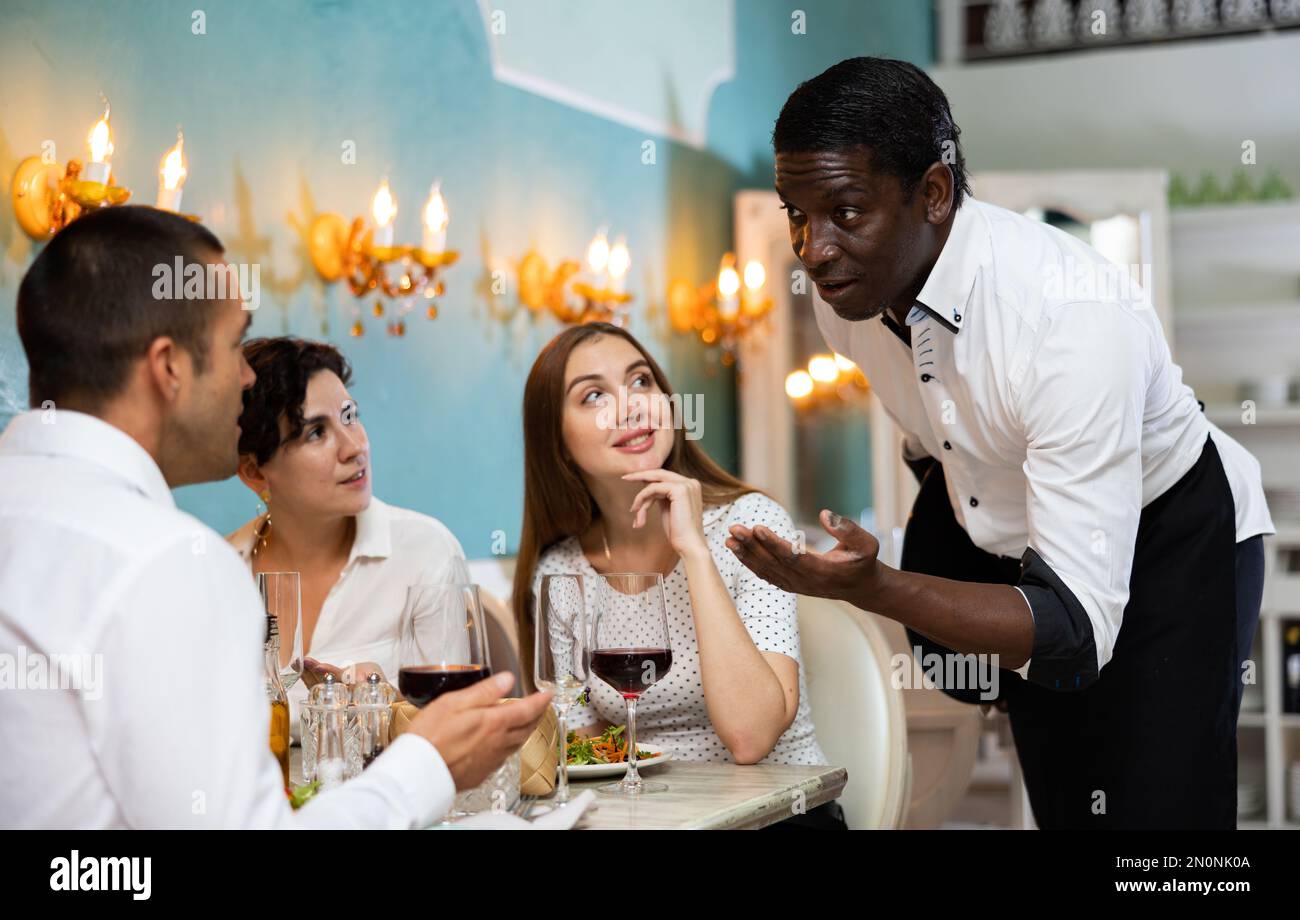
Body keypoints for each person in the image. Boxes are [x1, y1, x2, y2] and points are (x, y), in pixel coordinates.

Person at [726, 57, 1272, 829]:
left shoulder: (1069, 318)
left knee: (1160, 816)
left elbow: (1074, 628)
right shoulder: (848, 304)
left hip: (1174, 538)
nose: (812, 249)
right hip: (1032, 559)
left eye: (846, 212)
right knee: (1069, 797)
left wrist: (876, 586)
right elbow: (935, 439)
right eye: (796, 215)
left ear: (935, 193)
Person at [0, 206, 550, 828]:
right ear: (169, 368)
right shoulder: (167, 561)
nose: (243, 378)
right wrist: (428, 763)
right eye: (235, 344)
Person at [512, 322, 843, 829]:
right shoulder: (560, 572)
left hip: (779, 817)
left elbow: (751, 738)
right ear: (556, 440)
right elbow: (583, 749)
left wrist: (695, 552)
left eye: (641, 381)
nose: (631, 406)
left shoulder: (751, 527)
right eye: (594, 395)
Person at [227, 336, 470, 727]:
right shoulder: (222, 572)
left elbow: (453, 728)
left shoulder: (425, 552)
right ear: (255, 472)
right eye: (316, 433)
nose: (354, 447)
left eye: (349, 416)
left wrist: (385, 705)